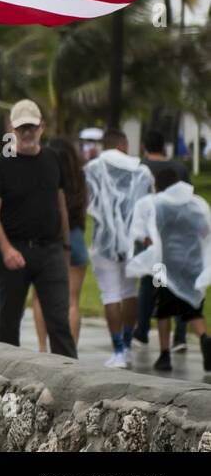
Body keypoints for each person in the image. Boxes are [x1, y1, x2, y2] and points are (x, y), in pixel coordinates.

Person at [0, 99, 77, 358]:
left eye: (32, 127)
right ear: (12, 129)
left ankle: (71, 379)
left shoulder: (52, 158)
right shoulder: (0, 166)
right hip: (15, 250)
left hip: (51, 250)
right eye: (21, 128)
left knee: (59, 321)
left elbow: (61, 205)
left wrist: (66, 245)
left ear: (42, 128)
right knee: (8, 322)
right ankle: (2, 380)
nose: (27, 133)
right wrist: (6, 249)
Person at [127, 166, 211, 372]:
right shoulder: (195, 205)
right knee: (192, 308)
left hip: (161, 268)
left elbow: (148, 237)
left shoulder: (158, 206)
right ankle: (205, 339)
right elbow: (205, 232)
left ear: (159, 185)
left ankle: (164, 355)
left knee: (162, 309)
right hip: (192, 265)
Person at [84, 127, 154, 368]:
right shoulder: (141, 171)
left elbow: (86, 201)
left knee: (110, 294)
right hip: (133, 242)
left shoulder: (93, 168)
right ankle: (127, 345)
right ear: (123, 144)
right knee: (129, 292)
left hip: (103, 242)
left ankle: (118, 350)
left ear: (105, 145)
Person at [31, 137, 89, 348]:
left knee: (39, 297)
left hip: (49, 239)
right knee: (73, 301)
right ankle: (71, 353)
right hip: (76, 238)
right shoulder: (80, 177)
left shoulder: (43, 174)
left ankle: (42, 348)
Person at [136, 129, 191, 349]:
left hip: (152, 239)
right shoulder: (180, 168)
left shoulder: (140, 169)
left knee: (151, 284)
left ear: (144, 147)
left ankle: (142, 331)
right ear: (164, 146)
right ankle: (180, 336)